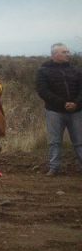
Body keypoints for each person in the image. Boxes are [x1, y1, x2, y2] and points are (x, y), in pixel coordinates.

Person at [35, 43, 82, 176]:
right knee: (54, 141)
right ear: (55, 55)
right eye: (64, 52)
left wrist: (76, 103)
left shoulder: (76, 70)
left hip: (77, 111)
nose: (68, 54)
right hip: (54, 111)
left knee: (79, 141)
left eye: (68, 52)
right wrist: (63, 103)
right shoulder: (43, 71)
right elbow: (43, 91)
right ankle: (54, 168)